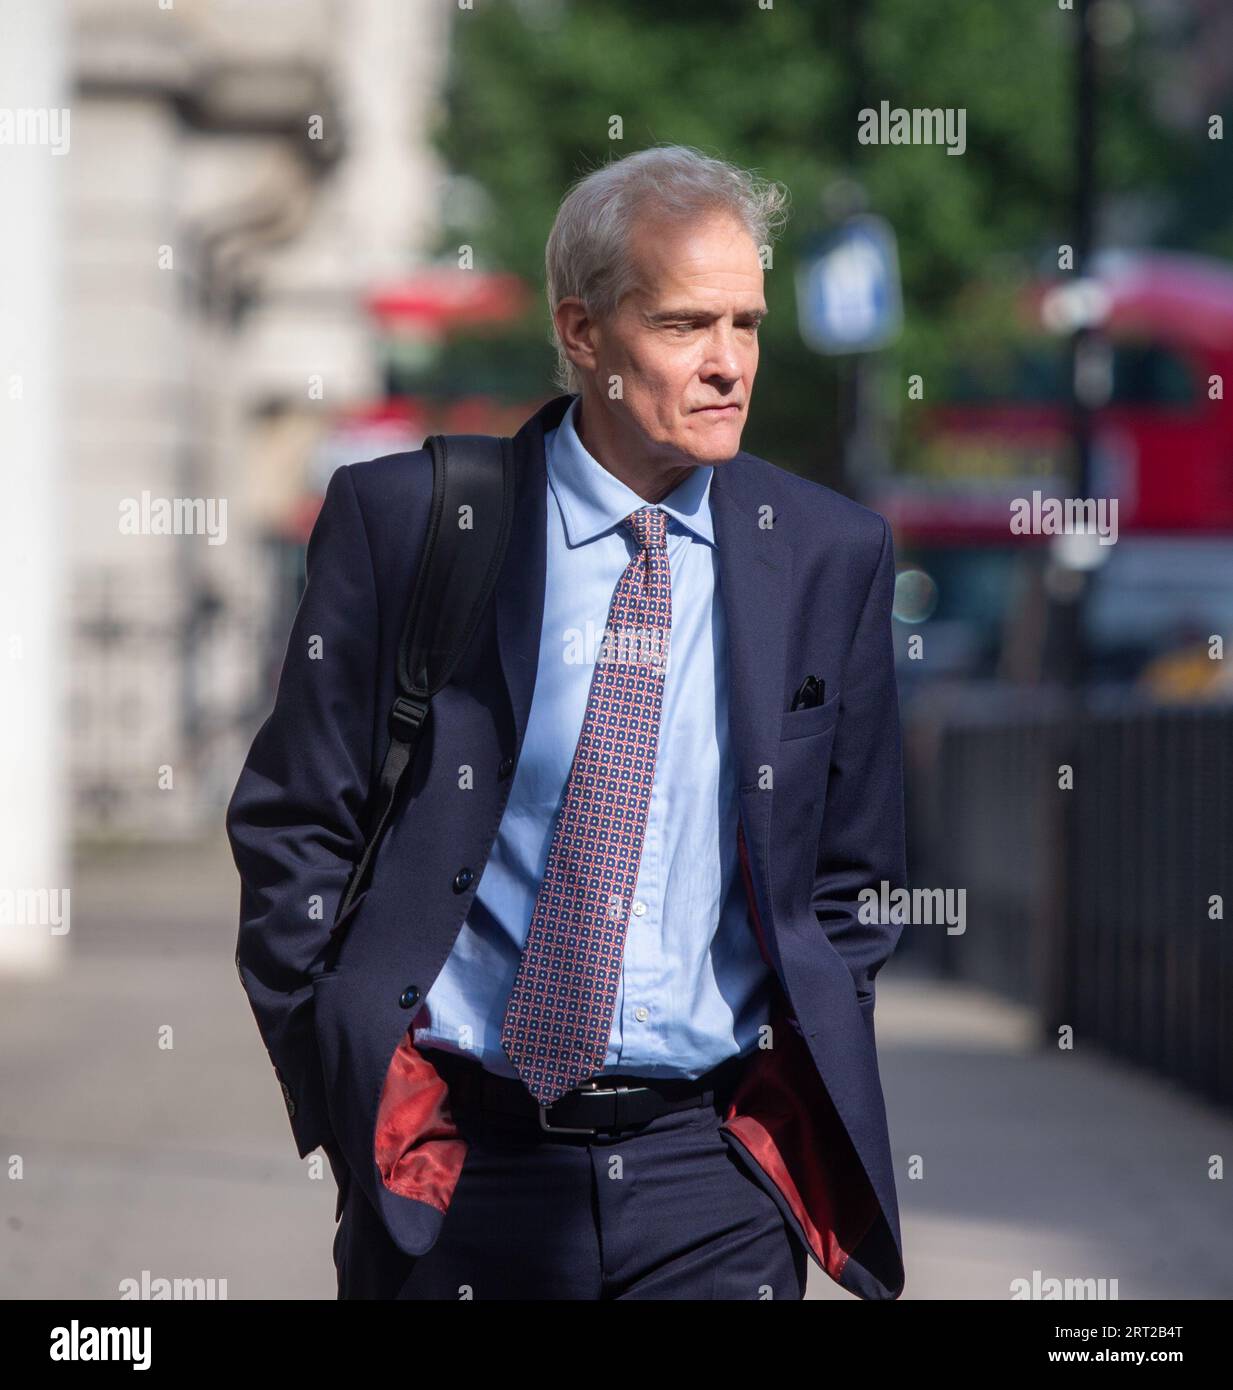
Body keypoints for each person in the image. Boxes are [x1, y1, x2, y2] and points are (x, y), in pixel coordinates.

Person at [226, 144, 908, 1300]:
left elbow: (853, 875)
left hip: (714, 1179)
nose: (728, 362)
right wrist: (345, 1077)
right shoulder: (412, 523)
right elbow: (295, 819)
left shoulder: (827, 555)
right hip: (453, 1166)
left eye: (746, 324)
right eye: (685, 324)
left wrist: (787, 1101)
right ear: (583, 331)